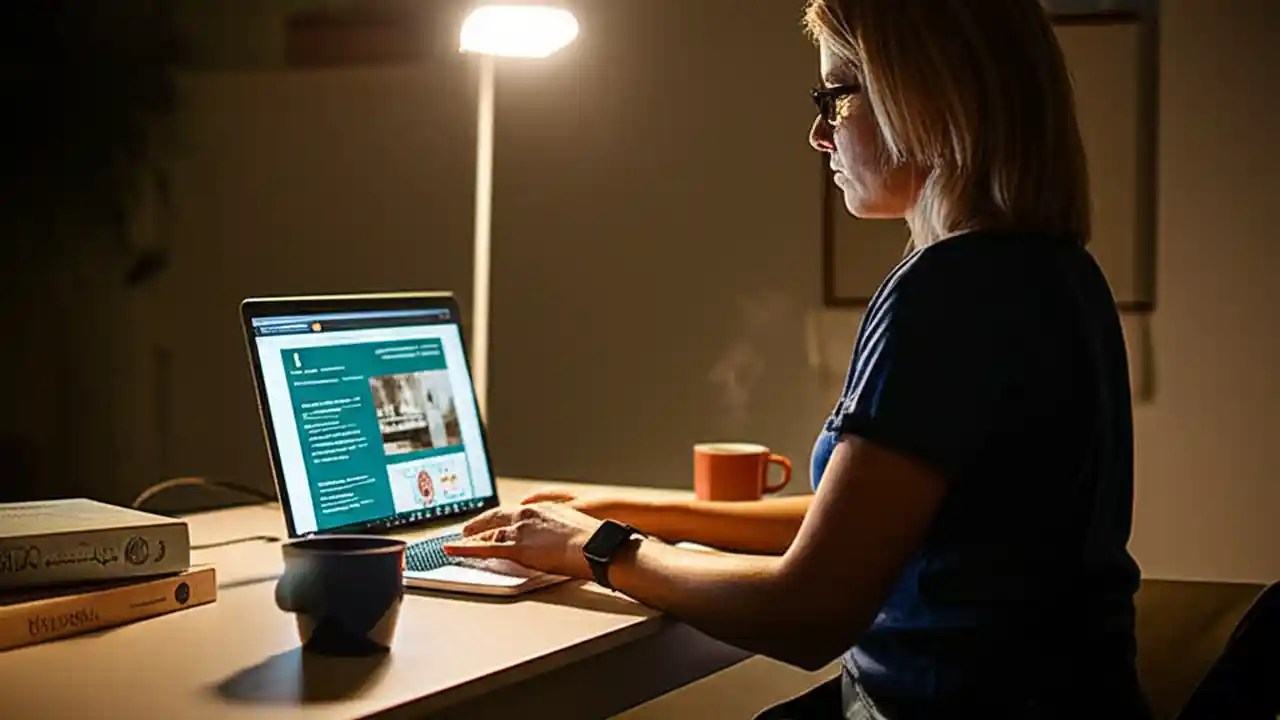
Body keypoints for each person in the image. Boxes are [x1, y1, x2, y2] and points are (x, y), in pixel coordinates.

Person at [445, 0, 1151, 716]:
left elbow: (809, 611)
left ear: (931, 96)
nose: (819, 134)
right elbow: (857, 527)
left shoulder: (950, 292)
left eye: (838, 97)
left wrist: (599, 550)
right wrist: (612, 507)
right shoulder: (1054, 271)